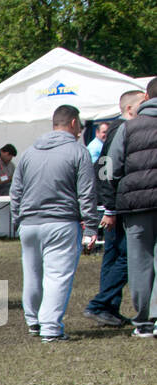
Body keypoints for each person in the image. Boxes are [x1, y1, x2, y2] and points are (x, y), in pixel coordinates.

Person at [10, 104, 96, 342]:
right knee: (57, 276)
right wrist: (90, 226)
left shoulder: (28, 152)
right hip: (62, 222)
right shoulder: (79, 152)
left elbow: (16, 191)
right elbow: (86, 193)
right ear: (73, 123)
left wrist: (18, 220)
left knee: (32, 275)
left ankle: (34, 321)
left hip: (29, 224)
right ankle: (50, 328)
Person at [100, 77, 157, 339]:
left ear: (146, 97)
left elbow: (109, 167)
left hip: (134, 206)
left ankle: (143, 321)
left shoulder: (128, 128)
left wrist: (111, 202)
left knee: (139, 261)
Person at [86, 89, 146, 327]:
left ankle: (107, 307)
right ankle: (100, 304)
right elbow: (105, 170)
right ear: (129, 109)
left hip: (115, 203)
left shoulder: (116, 130)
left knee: (113, 257)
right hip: (118, 205)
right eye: (142, 104)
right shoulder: (122, 130)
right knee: (127, 256)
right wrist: (110, 208)